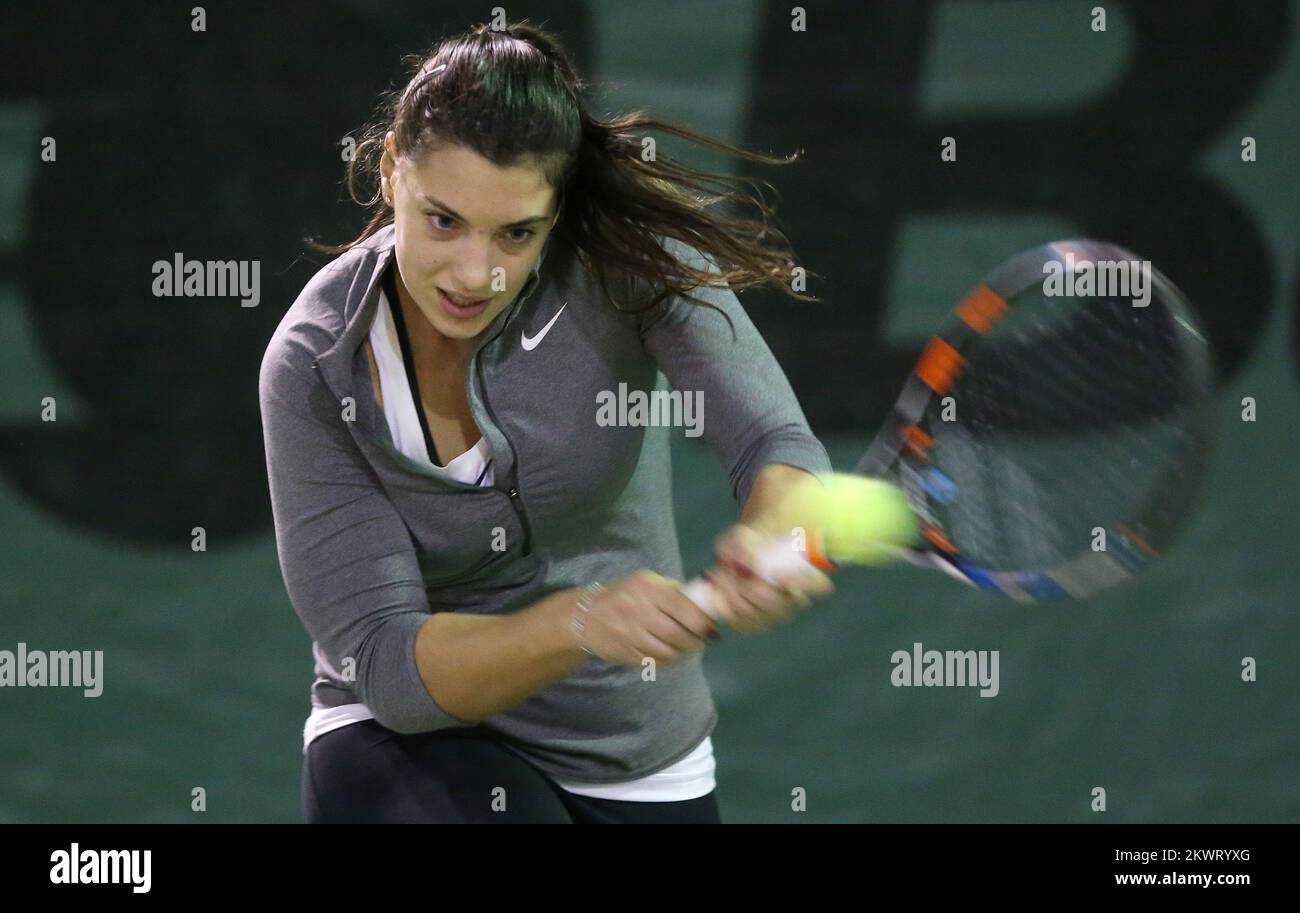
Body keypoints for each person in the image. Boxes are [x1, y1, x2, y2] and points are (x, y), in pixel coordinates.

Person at [259, 20, 834, 824]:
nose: (473, 274)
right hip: (409, 740)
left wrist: (781, 536)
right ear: (391, 170)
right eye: (443, 220)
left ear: (556, 211)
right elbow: (388, 664)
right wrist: (579, 621)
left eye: (516, 233)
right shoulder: (316, 364)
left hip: (636, 752)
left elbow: (776, 443)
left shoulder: (634, 263)